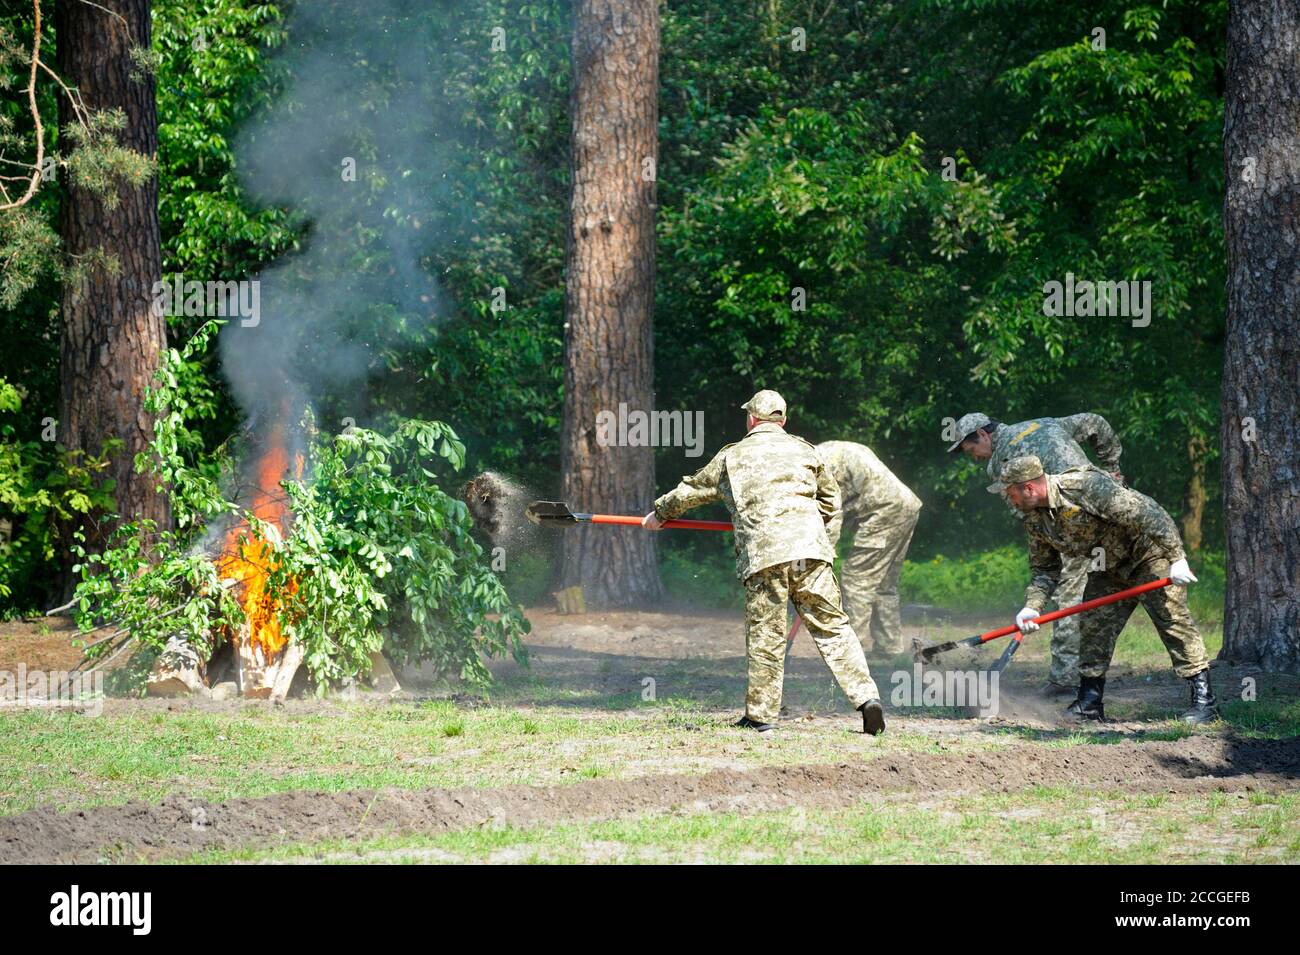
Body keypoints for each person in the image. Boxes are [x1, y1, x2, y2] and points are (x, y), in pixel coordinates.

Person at [643, 390, 886, 734]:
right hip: (810, 553)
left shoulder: (733, 456)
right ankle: (867, 699)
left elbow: (692, 491)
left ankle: (761, 716)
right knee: (834, 628)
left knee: (767, 634)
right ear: (783, 420)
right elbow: (832, 503)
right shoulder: (807, 451)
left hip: (765, 556)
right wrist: (820, 541)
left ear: (751, 419)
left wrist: (659, 514)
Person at [991, 455, 1217, 724]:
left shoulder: (1083, 487)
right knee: (1093, 627)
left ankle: (1205, 703)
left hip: (1149, 556)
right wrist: (1032, 607)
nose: (1009, 500)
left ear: (1028, 488)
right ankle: (1089, 703)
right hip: (1108, 567)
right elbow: (1045, 569)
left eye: (1010, 493)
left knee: (1172, 622)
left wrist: (1177, 557)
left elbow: (1148, 513)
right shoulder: (1035, 519)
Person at [948, 410, 1124, 693]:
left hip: (1074, 522)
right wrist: (1112, 468)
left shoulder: (1001, 464)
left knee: (1069, 598)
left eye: (972, 451)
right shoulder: (1043, 424)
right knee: (1092, 590)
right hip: (1104, 505)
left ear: (982, 434)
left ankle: (1064, 681)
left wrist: (1049, 547)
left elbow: (1028, 515)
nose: (975, 458)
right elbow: (1095, 422)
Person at [815, 441, 921, 653]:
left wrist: (819, 557)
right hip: (905, 506)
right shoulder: (829, 450)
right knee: (883, 584)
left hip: (883, 512)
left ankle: (853, 653)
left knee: (856, 580)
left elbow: (832, 515)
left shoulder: (817, 467)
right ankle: (889, 648)